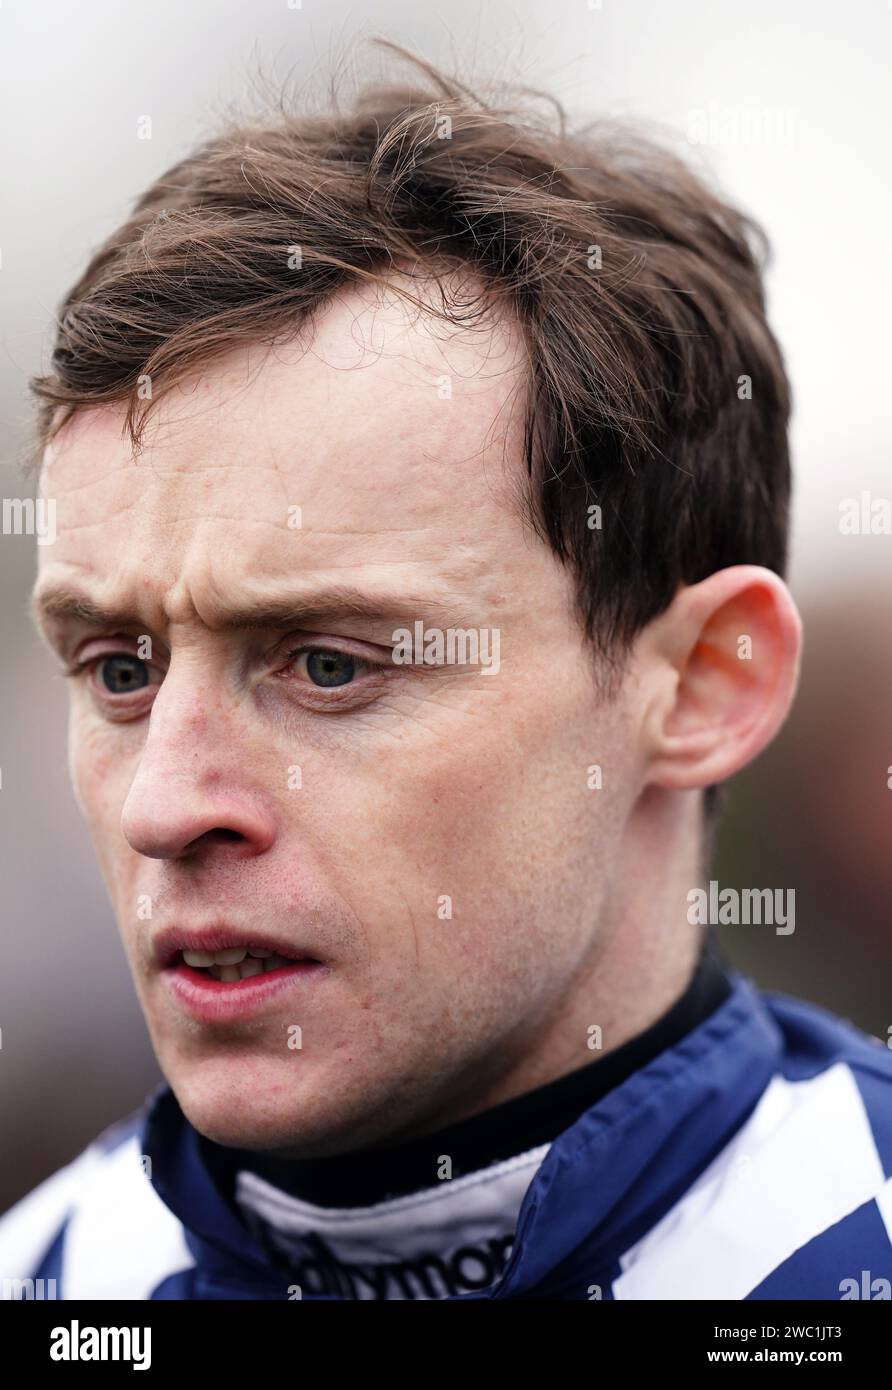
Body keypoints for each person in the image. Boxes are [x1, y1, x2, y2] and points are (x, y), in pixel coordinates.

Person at [3, 46, 890, 1302]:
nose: (163, 804)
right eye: (119, 669)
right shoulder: (48, 1277)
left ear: (699, 686)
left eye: (327, 664)